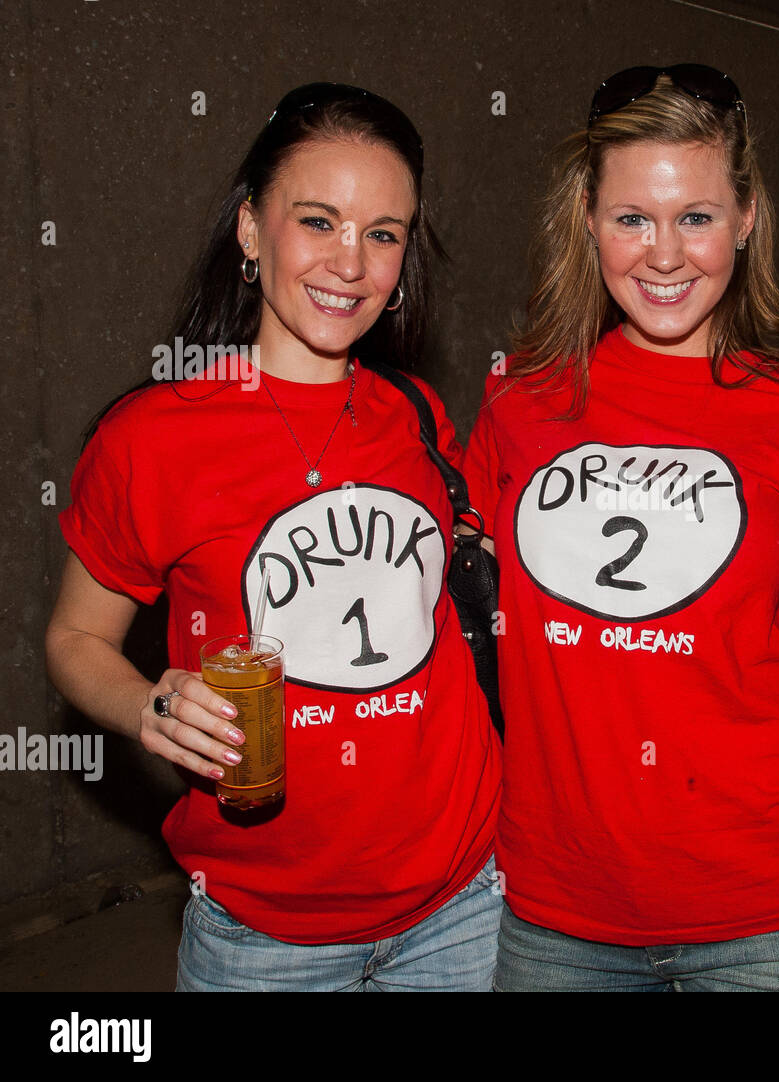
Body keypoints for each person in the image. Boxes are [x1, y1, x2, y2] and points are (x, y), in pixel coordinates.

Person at [462, 64, 779, 991]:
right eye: (633, 218)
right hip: (558, 911)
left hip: (773, 915)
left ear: (746, 217)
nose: (664, 254)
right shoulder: (517, 406)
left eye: (696, 217)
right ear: (588, 218)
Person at [44, 83, 501, 989]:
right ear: (252, 231)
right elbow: (73, 639)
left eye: (383, 234)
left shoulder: (414, 414)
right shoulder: (151, 437)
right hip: (264, 935)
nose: (350, 262)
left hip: (465, 904)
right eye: (318, 221)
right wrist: (150, 706)